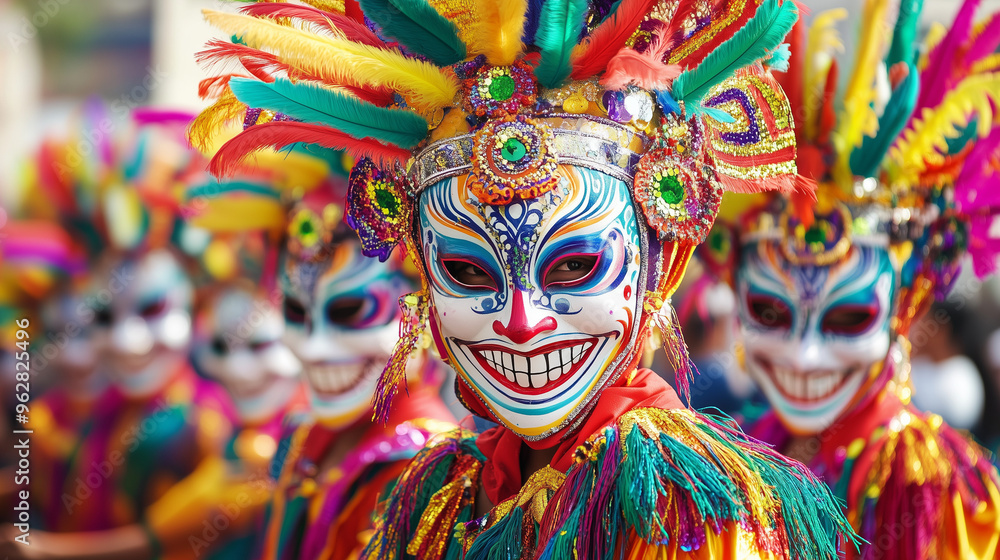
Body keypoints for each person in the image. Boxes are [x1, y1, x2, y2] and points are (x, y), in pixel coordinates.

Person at [190, 0, 861, 557]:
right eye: (466, 270)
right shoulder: (444, 491)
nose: (520, 320)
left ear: (658, 261)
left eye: (573, 266)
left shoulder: (692, 516)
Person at [713, 2, 1000, 558]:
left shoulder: (943, 500)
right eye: (770, 311)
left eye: (849, 317)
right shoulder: (725, 465)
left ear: (905, 306)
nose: (805, 356)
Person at [180, 142, 456, 559]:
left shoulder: (431, 469)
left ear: (427, 305)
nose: (312, 348)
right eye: (294, 311)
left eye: (351, 311)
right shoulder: (302, 439)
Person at [0, 107, 236, 560]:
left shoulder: (199, 428)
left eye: (154, 310)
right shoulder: (96, 419)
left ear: (198, 304)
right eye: (104, 318)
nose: (128, 341)